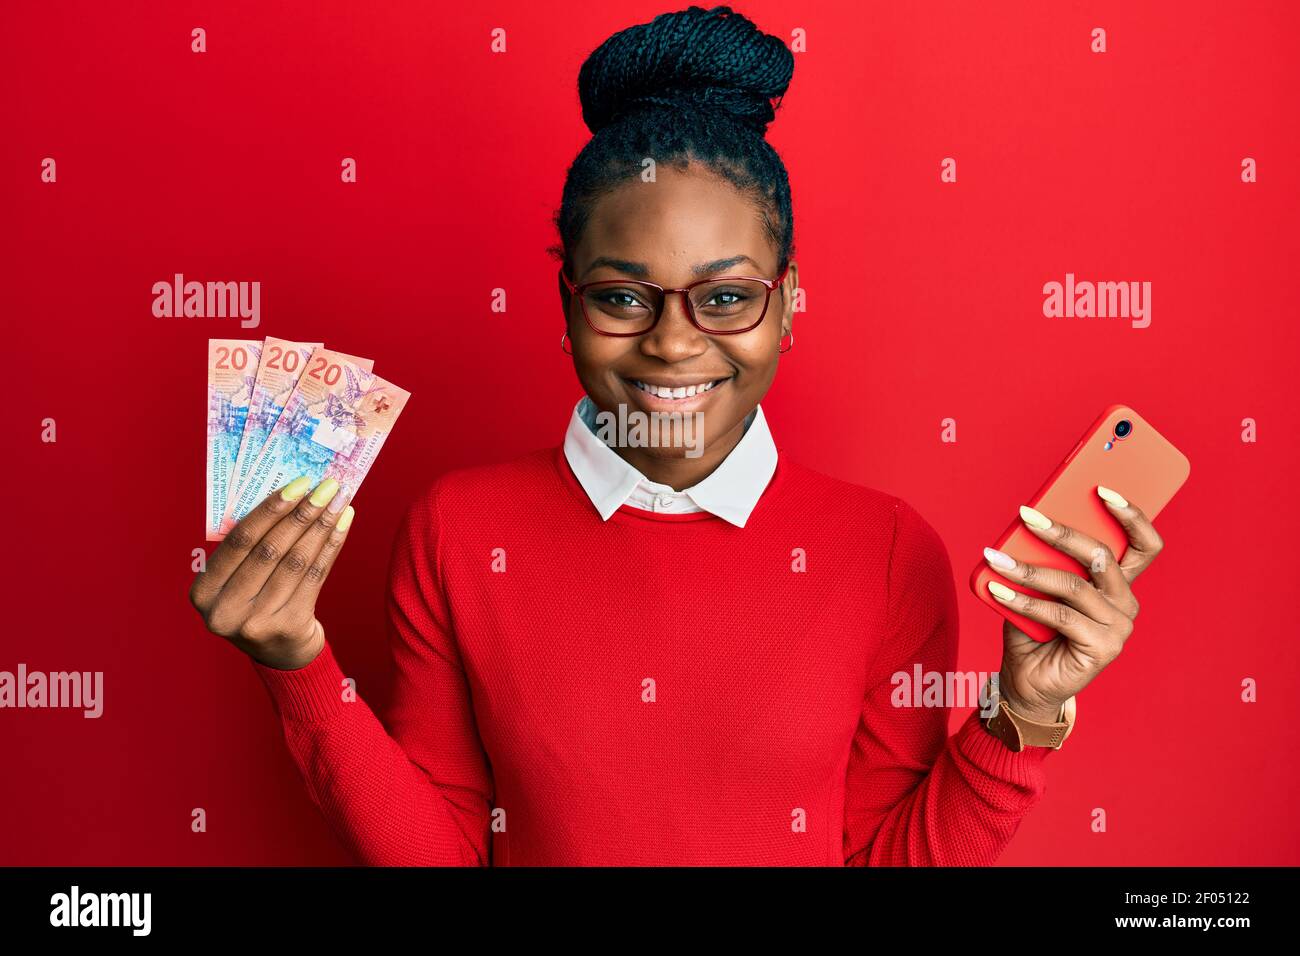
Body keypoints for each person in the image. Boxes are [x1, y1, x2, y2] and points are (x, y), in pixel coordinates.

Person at [188, 4, 1165, 866]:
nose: (670, 343)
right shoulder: (458, 526)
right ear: (566, 299)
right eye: (622, 295)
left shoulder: (888, 550)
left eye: (726, 297)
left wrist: (1022, 712)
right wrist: (295, 663)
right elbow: (446, 849)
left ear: (788, 303)